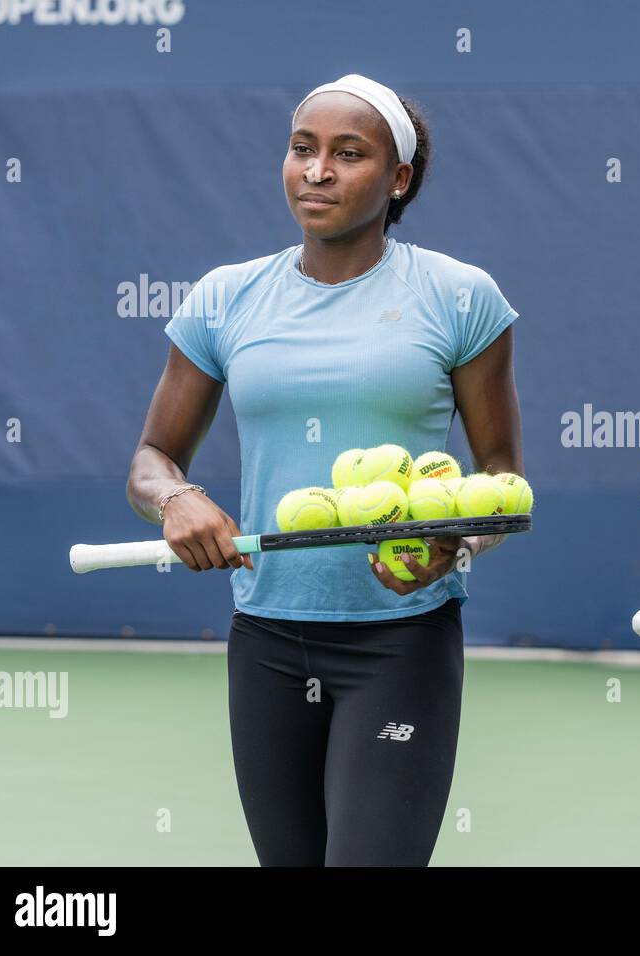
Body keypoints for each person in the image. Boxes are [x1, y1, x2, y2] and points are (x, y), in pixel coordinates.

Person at [126, 74, 523, 866]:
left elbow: (504, 480)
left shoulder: (461, 298)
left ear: (398, 178)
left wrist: (458, 544)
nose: (317, 171)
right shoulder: (222, 299)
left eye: (349, 154)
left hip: (402, 644)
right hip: (266, 642)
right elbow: (150, 459)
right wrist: (178, 499)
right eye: (302, 149)